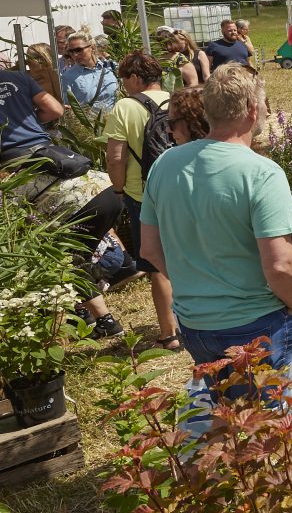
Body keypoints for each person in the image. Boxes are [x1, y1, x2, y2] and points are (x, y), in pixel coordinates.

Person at [139, 64, 292, 383]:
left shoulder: (164, 165)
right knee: (271, 422)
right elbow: (281, 265)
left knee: (227, 414)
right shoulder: (262, 173)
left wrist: (196, 284)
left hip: (194, 324)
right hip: (255, 324)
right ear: (253, 110)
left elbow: (149, 248)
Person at [0, 65, 125, 339]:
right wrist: (28, 122)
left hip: (28, 171)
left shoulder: (13, 178)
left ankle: (103, 321)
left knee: (60, 257)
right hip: (101, 187)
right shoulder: (17, 77)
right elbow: (55, 110)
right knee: (72, 257)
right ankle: (87, 312)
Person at [105, 50, 179, 347]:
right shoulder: (177, 100)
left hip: (143, 193)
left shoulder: (125, 107)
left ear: (135, 78)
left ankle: (169, 334)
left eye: (124, 79)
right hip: (182, 187)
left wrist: (120, 190)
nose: (123, 85)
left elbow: (115, 158)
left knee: (156, 263)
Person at [60, 32, 119, 112]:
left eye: (79, 50)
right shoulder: (68, 77)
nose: (75, 55)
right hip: (91, 123)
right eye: (71, 51)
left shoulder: (111, 67)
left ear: (93, 48)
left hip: (116, 121)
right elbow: (69, 108)